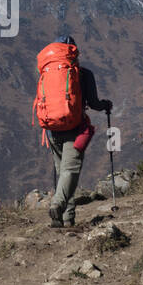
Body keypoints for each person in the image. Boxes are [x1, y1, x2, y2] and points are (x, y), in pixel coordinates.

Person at [37, 35, 111, 228]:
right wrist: (106, 105)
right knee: (70, 170)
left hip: (52, 129)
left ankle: (66, 219)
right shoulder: (84, 74)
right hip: (74, 129)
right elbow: (94, 103)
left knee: (62, 171)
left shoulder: (48, 71)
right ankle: (58, 206)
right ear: (74, 52)